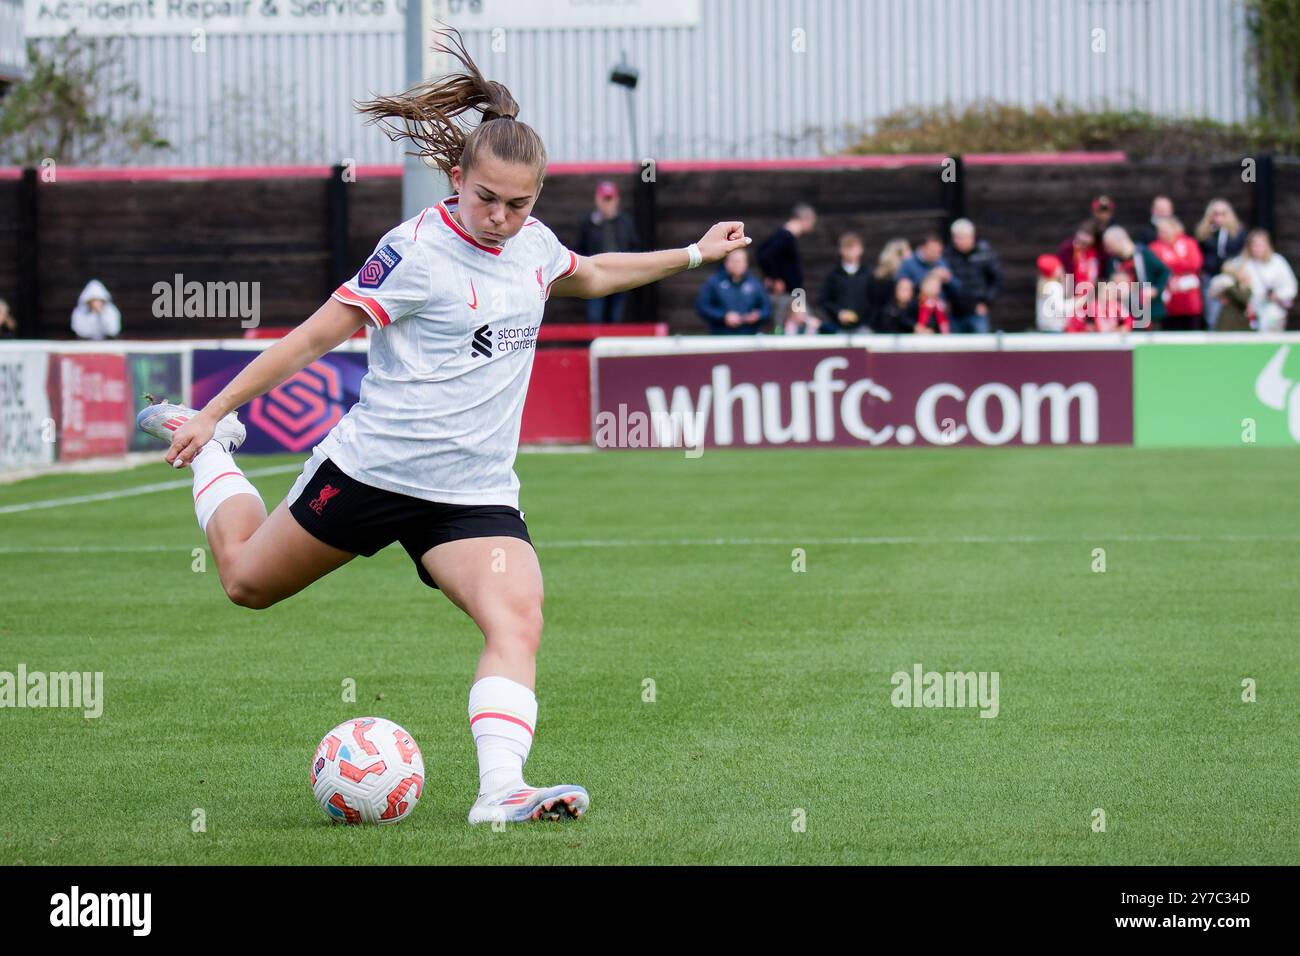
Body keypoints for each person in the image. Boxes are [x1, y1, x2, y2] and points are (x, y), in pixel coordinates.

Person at [132, 26, 752, 827]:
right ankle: (214, 453)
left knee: (517, 614)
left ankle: (501, 791)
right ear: (455, 177)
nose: (499, 216)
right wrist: (219, 408)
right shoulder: (414, 251)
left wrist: (694, 254)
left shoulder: (533, 244)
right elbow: (316, 335)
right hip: (372, 474)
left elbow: (591, 274)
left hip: (473, 493)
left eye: (518, 203)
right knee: (246, 582)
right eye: (485, 197)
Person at [575, 180, 639, 323]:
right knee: (595, 317)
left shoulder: (625, 222)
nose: (607, 203)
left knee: (616, 317)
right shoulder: (588, 223)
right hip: (595, 275)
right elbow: (580, 248)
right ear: (597, 200)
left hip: (620, 276)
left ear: (617, 200)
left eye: (610, 199)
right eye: (605, 199)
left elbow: (634, 247)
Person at [756, 203, 816, 329]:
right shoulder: (786, 237)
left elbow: (762, 251)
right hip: (788, 295)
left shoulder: (783, 236)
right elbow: (764, 255)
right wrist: (774, 277)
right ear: (805, 219)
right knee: (796, 326)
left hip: (792, 293)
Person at [1102, 226, 1169, 330]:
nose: (1108, 250)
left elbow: (1164, 271)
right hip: (1127, 314)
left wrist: (1156, 289)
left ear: (1121, 241)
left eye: (1110, 246)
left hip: (1151, 311)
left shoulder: (1144, 255)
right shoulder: (1113, 262)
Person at [1195, 198, 1246, 329]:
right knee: (1212, 316)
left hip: (1231, 279)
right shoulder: (1205, 233)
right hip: (1210, 277)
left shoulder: (1237, 232)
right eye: (1216, 213)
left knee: (1232, 314)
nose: (1219, 217)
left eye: (1223, 213)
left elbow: (1241, 254)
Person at [943, 218, 1001, 333]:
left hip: (977, 310)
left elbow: (996, 280)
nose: (957, 241)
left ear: (971, 237)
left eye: (961, 237)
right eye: (955, 237)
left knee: (981, 347)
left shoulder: (985, 253)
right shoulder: (948, 255)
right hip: (954, 311)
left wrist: (986, 302)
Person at [695, 247, 771, 334]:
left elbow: (767, 308)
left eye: (740, 261)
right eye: (734, 261)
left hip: (749, 336)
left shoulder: (755, 283)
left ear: (746, 263)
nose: (737, 264)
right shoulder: (714, 282)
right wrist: (723, 316)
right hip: (721, 336)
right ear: (726, 262)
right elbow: (702, 306)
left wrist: (758, 315)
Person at [1233, 228, 1297, 332]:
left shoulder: (1277, 262)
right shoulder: (1241, 262)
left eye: (1261, 245)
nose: (1257, 248)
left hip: (1272, 310)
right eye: (1254, 245)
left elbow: (1291, 287)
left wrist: (1278, 295)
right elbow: (1228, 282)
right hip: (1247, 312)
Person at [1150, 216, 1204, 330]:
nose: (1162, 233)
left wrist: (1172, 263)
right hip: (1168, 303)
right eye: (1160, 230)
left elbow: (1195, 264)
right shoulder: (1155, 247)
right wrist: (1182, 265)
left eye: (1166, 230)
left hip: (1189, 301)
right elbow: (1157, 268)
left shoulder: (1189, 243)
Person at [817, 231, 873, 333]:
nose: (850, 252)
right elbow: (825, 301)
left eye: (853, 247)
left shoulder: (868, 274)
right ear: (841, 250)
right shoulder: (833, 275)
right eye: (847, 248)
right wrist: (838, 313)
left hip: (863, 327)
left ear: (861, 249)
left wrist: (867, 321)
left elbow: (874, 301)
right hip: (838, 328)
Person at [898, 232, 961, 305]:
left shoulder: (942, 262)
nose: (937, 255)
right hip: (918, 308)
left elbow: (958, 288)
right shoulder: (908, 264)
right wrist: (930, 276)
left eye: (939, 252)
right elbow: (902, 291)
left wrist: (949, 279)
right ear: (922, 248)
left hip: (941, 309)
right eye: (933, 251)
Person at [867, 238, 911, 321]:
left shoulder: (880, 275)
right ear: (898, 254)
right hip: (887, 321)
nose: (911, 254)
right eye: (908, 251)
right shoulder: (891, 278)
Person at [1207, 267, 1253, 332]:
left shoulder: (1246, 289)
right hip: (1228, 320)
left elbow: (1244, 298)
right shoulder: (1230, 286)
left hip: (1241, 320)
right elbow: (1212, 295)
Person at [1035, 254, 1067, 332]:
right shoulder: (1054, 286)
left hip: (1043, 328)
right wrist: (1077, 303)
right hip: (1054, 329)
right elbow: (1061, 310)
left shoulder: (1042, 284)